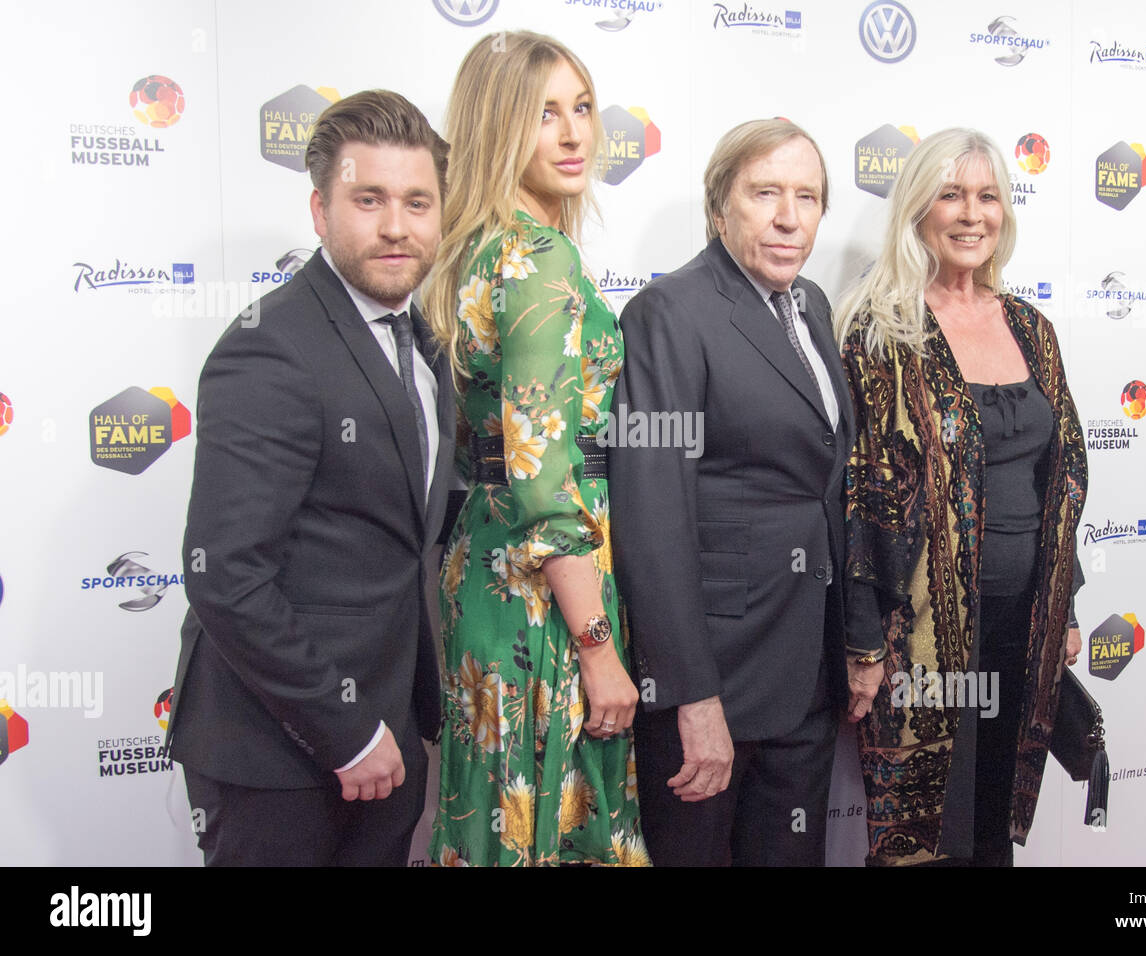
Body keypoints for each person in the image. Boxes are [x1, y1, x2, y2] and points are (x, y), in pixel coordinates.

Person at [167, 90, 456, 866]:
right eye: (369, 200)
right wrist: (346, 730)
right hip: (278, 752)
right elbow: (227, 575)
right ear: (320, 211)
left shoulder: (421, 343)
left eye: (416, 201)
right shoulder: (272, 347)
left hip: (389, 733)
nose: (397, 225)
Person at [610, 119, 879, 867]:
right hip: (713, 680)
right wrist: (690, 697)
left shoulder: (814, 306)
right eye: (765, 193)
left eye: (808, 197)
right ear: (719, 205)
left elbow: (832, 491)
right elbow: (650, 516)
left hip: (807, 673)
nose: (790, 217)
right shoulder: (670, 314)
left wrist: (856, 641)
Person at [835, 127, 1088, 867]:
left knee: (991, 824)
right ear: (918, 210)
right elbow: (860, 498)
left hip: (1022, 622)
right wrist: (861, 642)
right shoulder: (883, 330)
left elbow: (1062, 478)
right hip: (919, 635)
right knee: (922, 841)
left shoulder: (1031, 330)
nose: (971, 214)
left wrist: (1064, 603)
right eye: (951, 194)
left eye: (987, 196)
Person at [422, 31, 645, 867]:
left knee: (500, 826)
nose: (574, 133)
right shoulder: (538, 255)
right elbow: (543, 475)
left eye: (582, 109)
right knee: (549, 830)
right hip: (544, 599)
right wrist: (598, 649)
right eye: (543, 114)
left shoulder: (479, 250)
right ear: (496, 127)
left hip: (488, 571)